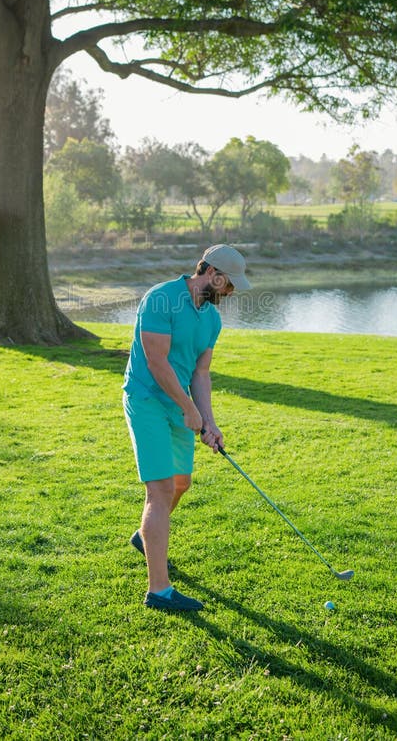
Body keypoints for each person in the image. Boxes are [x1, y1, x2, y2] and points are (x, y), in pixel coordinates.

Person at [123, 244, 251, 611]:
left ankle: (145, 536)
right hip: (147, 400)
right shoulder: (161, 299)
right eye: (228, 285)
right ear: (213, 274)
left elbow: (201, 372)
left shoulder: (211, 319)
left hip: (180, 405)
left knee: (181, 483)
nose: (230, 293)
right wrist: (187, 408)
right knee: (161, 490)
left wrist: (208, 421)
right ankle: (159, 592)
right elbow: (157, 362)